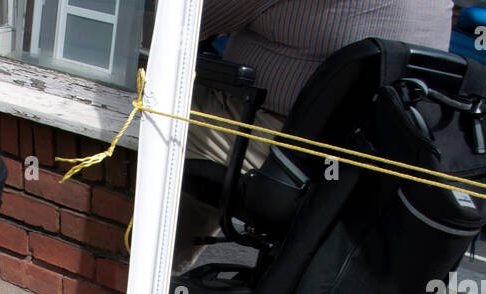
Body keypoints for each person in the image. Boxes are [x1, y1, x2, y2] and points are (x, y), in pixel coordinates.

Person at [174, 0, 454, 273]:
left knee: (148, 107)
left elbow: (182, 18)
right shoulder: (439, 5)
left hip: (283, 148)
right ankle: (155, 273)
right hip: (364, 170)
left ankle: (143, 275)